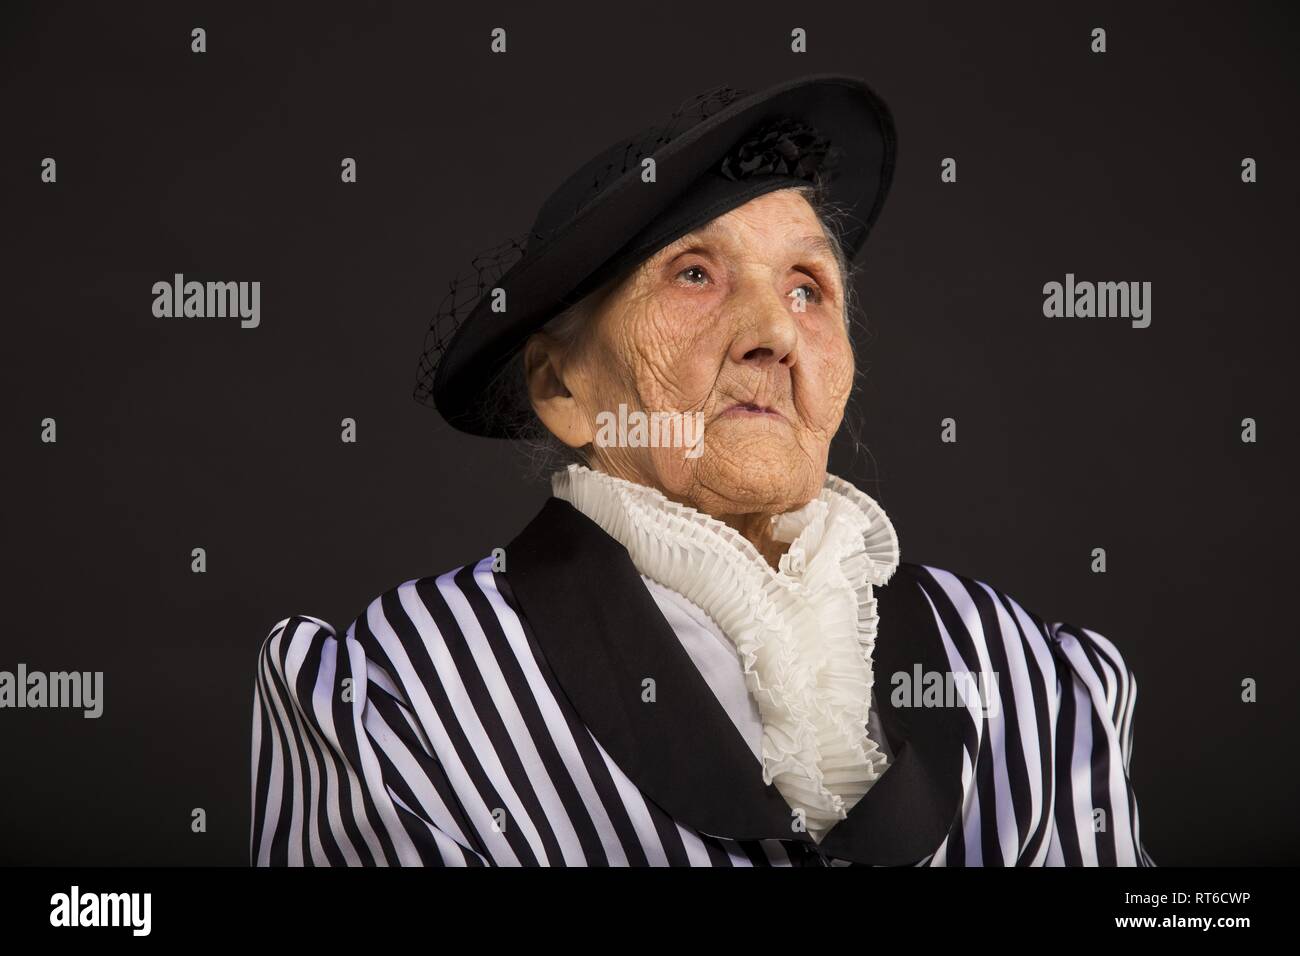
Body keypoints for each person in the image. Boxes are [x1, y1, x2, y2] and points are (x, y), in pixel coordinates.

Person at [250, 73, 1152, 867]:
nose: (773, 333)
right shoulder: (403, 695)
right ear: (562, 386)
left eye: (808, 287)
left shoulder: (1023, 671)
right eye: (693, 275)